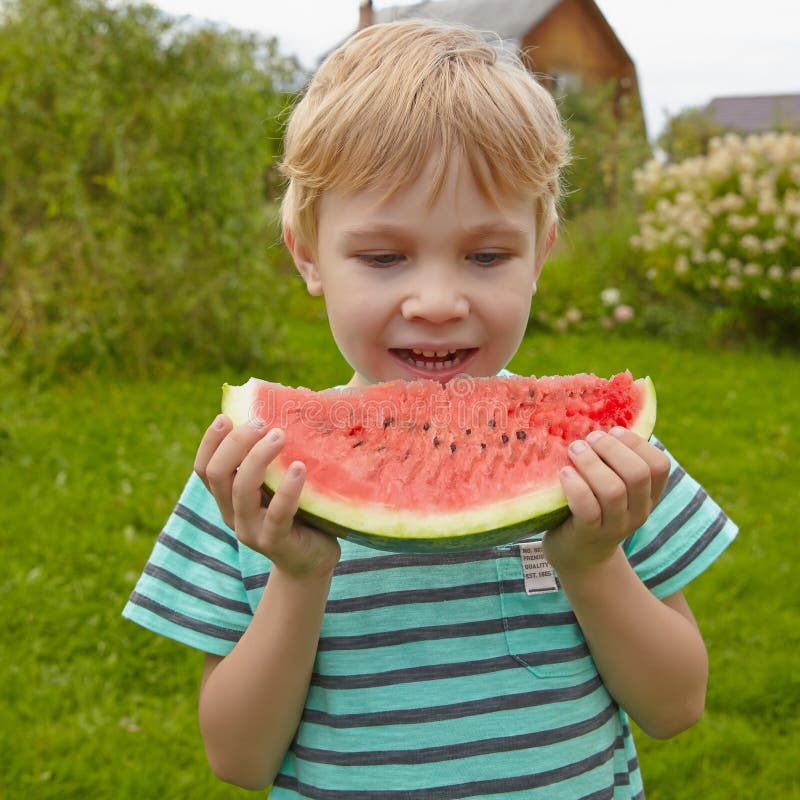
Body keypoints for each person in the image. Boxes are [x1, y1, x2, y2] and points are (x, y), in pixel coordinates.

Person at [123, 19, 737, 799]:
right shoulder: (251, 484)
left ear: (542, 250)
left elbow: (677, 705)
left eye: (487, 256)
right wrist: (298, 576)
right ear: (307, 254)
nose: (439, 302)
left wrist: (591, 562)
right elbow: (238, 760)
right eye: (383, 258)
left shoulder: (609, 465)